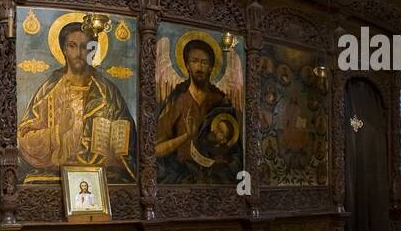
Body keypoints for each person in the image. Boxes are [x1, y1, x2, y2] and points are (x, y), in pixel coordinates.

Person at [19, 17, 133, 179]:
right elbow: (25, 137)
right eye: (72, 46)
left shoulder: (107, 92)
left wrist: (114, 146)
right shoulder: (50, 89)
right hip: (57, 172)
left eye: (85, 47)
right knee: (33, 181)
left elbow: (128, 143)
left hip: (100, 173)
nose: (79, 53)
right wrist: (57, 131)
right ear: (64, 50)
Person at [153, 34, 238, 183]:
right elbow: (156, 149)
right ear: (186, 65)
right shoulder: (178, 99)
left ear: (211, 67)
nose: (199, 67)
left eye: (204, 63)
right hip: (180, 178)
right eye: (195, 61)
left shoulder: (220, 101)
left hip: (216, 180)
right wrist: (186, 136)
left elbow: (234, 150)